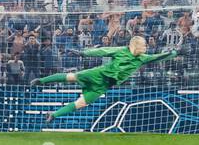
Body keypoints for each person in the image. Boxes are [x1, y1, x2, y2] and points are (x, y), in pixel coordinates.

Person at [32, 35, 177, 124]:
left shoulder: (143, 59)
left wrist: (176, 52)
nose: (146, 47)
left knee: (81, 103)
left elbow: (159, 57)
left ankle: (54, 115)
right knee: (72, 77)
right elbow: (102, 51)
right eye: (144, 44)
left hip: (104, 86)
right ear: (136, 44)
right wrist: (84, 53)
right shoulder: (122, 50)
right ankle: (41, 80)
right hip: (99, 74)